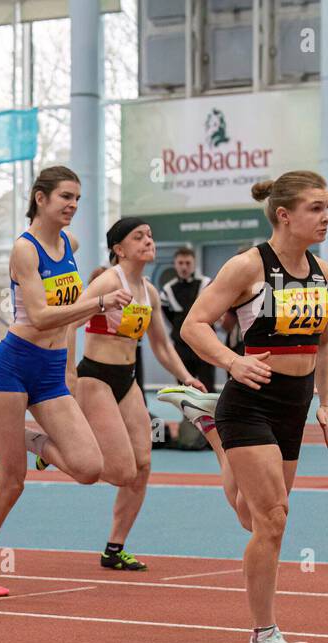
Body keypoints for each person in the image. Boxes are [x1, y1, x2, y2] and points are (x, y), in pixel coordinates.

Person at [158, 171, 328, 643]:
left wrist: (327, 403)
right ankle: (264, 634)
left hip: (294, 406)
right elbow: (194, 326)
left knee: (252, 517)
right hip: (252, 399)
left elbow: (324, 341)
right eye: (316, 208)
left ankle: (212, 431)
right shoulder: (245, 268)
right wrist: (233, 362)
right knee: (274, 520)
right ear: (285, 215)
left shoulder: (325, 271)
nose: (326, 218)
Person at [0, 166, 119, 596]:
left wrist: (68, 364)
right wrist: (98, 302)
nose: (72, 206)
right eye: (65, 197)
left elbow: (63, 320)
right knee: (12, 483)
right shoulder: (25, 250)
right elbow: (44, 315)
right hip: (12, 366)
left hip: (49, 372)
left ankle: (27, 440)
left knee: (90, 468)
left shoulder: (70, 243)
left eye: (77, 199)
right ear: (40, 198)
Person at [64, 218, 207, 572]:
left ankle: (114, 548)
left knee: (142, 465)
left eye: (150, 236)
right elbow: (68, 321)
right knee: (120, 469)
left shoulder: (149, 290)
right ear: (119, 248)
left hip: (126, 379)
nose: (148, 241)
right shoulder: (107, 281)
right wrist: (67, 373)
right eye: (138, 237)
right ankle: (50, 448)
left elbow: (161, 344)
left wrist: (186, 377)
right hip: (95, 377)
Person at [159, 247, 215, 392]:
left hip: (204, 343)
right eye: (181, 263)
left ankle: (210, 415)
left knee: (207, 384)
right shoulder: (168, 289)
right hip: (181, 345)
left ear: (194, 264)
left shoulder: (206, 284)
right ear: (175, 264)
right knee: (184, 386)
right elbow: (168, 315)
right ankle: (186, 415)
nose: (184, 267)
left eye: (188, 263)